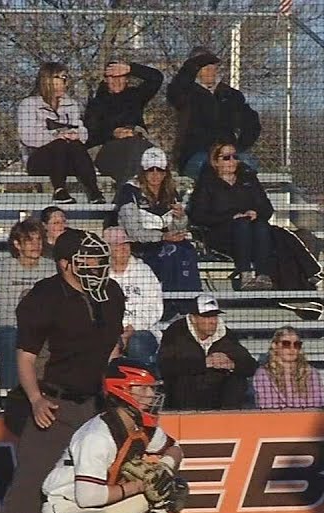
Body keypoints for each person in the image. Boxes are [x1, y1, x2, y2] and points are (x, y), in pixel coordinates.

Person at [0, 228, 124, 513]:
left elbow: (113, 349)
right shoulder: (44, 297)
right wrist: (36, 399)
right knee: (33, 481)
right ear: (64, 265)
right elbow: (25, 357)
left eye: (98, 257)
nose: (96, 264)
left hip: (96, 403)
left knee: (102, 481)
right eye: (87, 259)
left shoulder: (111, 294)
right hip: (54, 400)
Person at [17, 359, 189, 513]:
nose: (151, 394)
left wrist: (164, 468)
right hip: (68, 509)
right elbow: (89, 497)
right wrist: (139, 485)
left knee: (172, 488)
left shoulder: (141, 426)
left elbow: (174, 448)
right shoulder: (97, 435)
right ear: (123, 391)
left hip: (103, 507)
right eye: (144, 388)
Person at [115, 147, 199, 317]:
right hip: (140, 248)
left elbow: (178, 227)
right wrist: (162, 236)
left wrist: (180, 218)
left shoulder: (170, 191)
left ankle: (191, 302)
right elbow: (132, 231)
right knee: (173, 252)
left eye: (159, 169)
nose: (155, 174)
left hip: (165, 243)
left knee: (187, 249)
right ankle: (169, 305)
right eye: (150, 170)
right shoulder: (129, 191)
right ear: (143, 171)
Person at [187, 141, 274, 290]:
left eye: (235, 156)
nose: (232, 161)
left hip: (253, 235)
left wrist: (256, 212)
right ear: (215, 161)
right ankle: (244, 274)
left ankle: (263, 275)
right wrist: (230, 217)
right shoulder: (207, 184)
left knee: (261, 225)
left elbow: (267, 208)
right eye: (227, 157)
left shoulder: (249, 180)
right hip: (221, 236)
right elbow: (198, 215)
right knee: (242, 224)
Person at [165, 46, 261, 180]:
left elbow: (251, 122)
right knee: (207, 170)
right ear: (195, 71)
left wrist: (239, 146)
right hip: (196, 153)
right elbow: (176, 89)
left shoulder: (230, 95)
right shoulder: (186, 94)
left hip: (228, 151)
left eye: (213, 67)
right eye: (205, 67)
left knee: (248, 166)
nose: (211, 71)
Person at [16, 62, 105, 205]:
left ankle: (94, 191)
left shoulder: (71, 104)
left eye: (66, 78)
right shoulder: (29, 104)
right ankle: (59, 190)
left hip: (68, 159)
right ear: (48, 80)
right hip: (39, 160)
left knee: (76, 145)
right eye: (62, 78)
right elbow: (27, 136)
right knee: (59, 144)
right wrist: (56, 136)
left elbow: (82, 130)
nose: (65, 82)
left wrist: (76, 135)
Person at [158, 293, 257, 410]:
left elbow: (251, 365)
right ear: (193, 318)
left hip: (215, 393)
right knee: (183, 380)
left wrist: (232, 365)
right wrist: (204, 363)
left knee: (237, 380)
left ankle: (229, 420)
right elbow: (165, 366)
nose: (212, 321)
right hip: (184, 395)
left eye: (214, 316)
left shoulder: (225, 335)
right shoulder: (176, 333)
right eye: (206, 317)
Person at [0, 219, 54, 389]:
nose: (36, 244)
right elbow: (1, 316)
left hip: (44, 329)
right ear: (17, 244)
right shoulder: (1, 270)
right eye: (29, 240)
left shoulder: (52, 269)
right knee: (9, 336)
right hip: (11, 329)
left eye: (39, 239)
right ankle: (11, 396)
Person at [83, 60, 164, 184]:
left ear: (127, 79)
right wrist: (113, 133)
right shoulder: (95, 104)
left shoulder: (135, 96)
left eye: (121, 76)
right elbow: (90, 135)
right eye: (112, 77)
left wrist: (131, 68)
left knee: (148, 152)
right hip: (108, 151)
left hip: (137, 145)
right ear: (105, 79)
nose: (116, 81)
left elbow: (157, 78)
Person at [105, 226, 164, 369]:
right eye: (118, 245)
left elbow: (155, 308)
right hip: (109, 330)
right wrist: (118, 331)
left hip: (142, 330)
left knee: (137, 342)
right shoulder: (101, 274)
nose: (124, 248)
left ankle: (146, 384)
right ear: (108, 249)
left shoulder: (143, 271)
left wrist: (132, 327)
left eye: (126, 244)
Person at [253, 326, 324, 409]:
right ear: (275, 345)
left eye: (296, 344)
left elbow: (317, 404)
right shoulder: (263, 374)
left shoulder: (311, 373)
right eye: (286, 344)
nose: (292, 348)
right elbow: (267, 405)